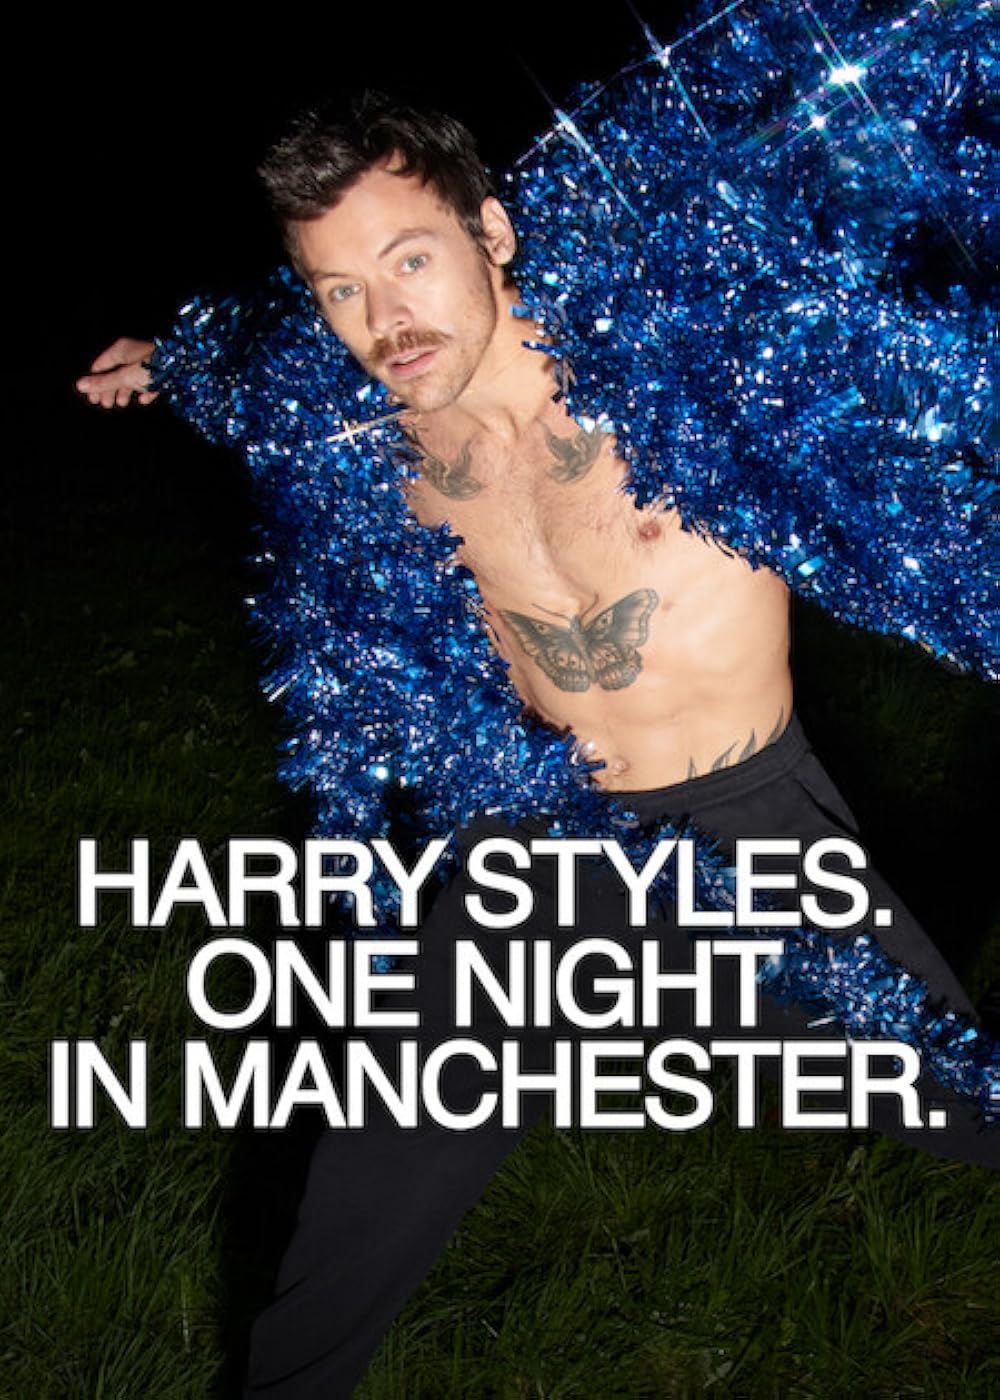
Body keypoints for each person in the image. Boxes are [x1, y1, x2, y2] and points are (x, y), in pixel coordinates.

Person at [76, 35, 996, 1399]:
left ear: (492, 233)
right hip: (536, 840)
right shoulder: (361, 422)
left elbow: (880, 304)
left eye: (410, 260)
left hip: (749, 828)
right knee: (359, 1202)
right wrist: (172, 359)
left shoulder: (671, 356)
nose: (385, 319)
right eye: (341, 289)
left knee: (958, 1103)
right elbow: (248, 367)